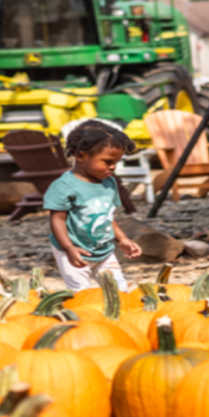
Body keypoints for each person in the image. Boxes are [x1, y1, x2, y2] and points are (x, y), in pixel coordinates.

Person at [46, 123, 143, 291]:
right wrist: (69, 248)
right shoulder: (64, 186)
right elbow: (57, 220)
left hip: (104, 250)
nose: (113, 167)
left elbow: (108, 216)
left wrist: (122, 239)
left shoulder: (109, 182)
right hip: (75, 250)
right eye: (108, 162)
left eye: (116, 162)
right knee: (81, 294)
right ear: (81, 156)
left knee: (120, 291)